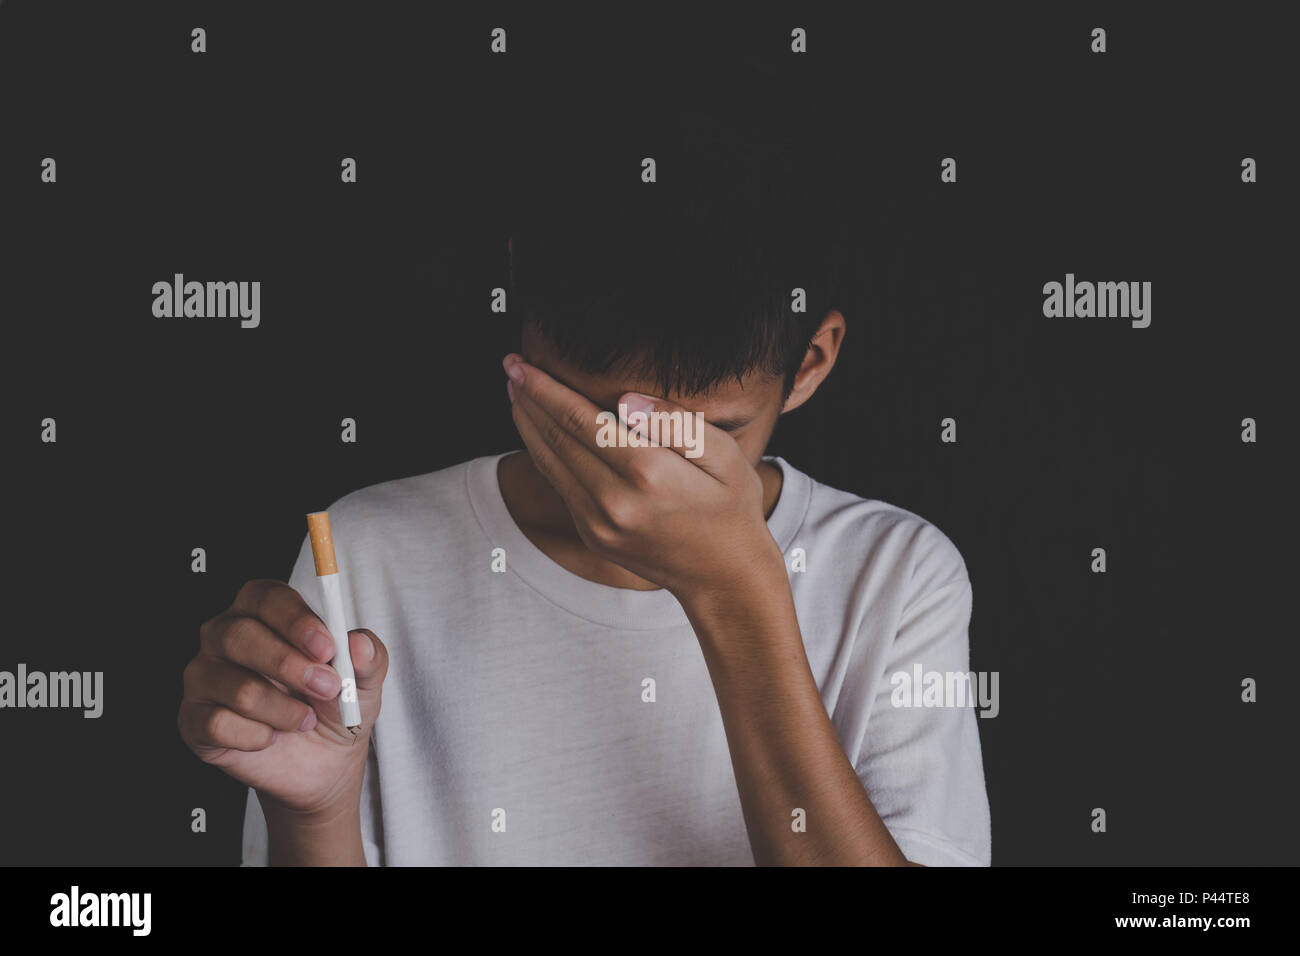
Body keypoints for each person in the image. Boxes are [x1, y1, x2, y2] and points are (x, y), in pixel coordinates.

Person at [177, 113, 991, 866]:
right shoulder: (369, 554)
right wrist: (313, 817)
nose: (642, 482)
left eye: (708, 441)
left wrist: (737, 591)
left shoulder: (898, 575)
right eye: (591, 427)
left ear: (809, 366)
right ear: (521, 328)